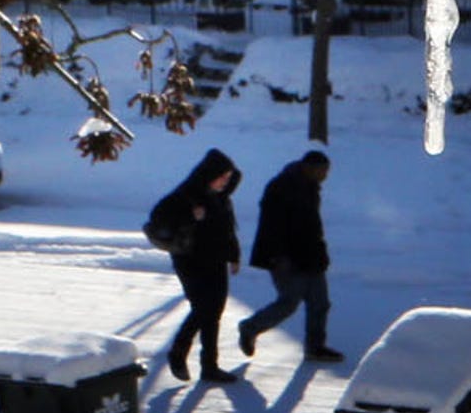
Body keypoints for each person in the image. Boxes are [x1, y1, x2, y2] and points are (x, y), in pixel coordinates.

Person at [146, 150, 244, 383]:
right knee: (203, 309)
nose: (225, 181)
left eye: (228, 177)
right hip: (190, 261)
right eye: (222, 176)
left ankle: (209, 365)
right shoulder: (183, 197)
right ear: (209, 174)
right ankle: (178, 352)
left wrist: (234, 255)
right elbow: (158, 224)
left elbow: (228, 230)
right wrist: (191, 218)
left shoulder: (221, 198)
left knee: (214, 312)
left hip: (216, 260)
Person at [238, 148, 343, 364]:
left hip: (310, 255)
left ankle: (315, 347)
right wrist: (277, 257)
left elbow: (312, 225)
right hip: (286, 258)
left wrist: (320, 251)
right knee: (288, 303)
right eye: (323, 171)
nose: (325, 176)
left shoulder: (310, 187)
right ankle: (250, 327)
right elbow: (270, 226)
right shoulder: (282, 187)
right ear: (309, 168)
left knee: (320, 303)